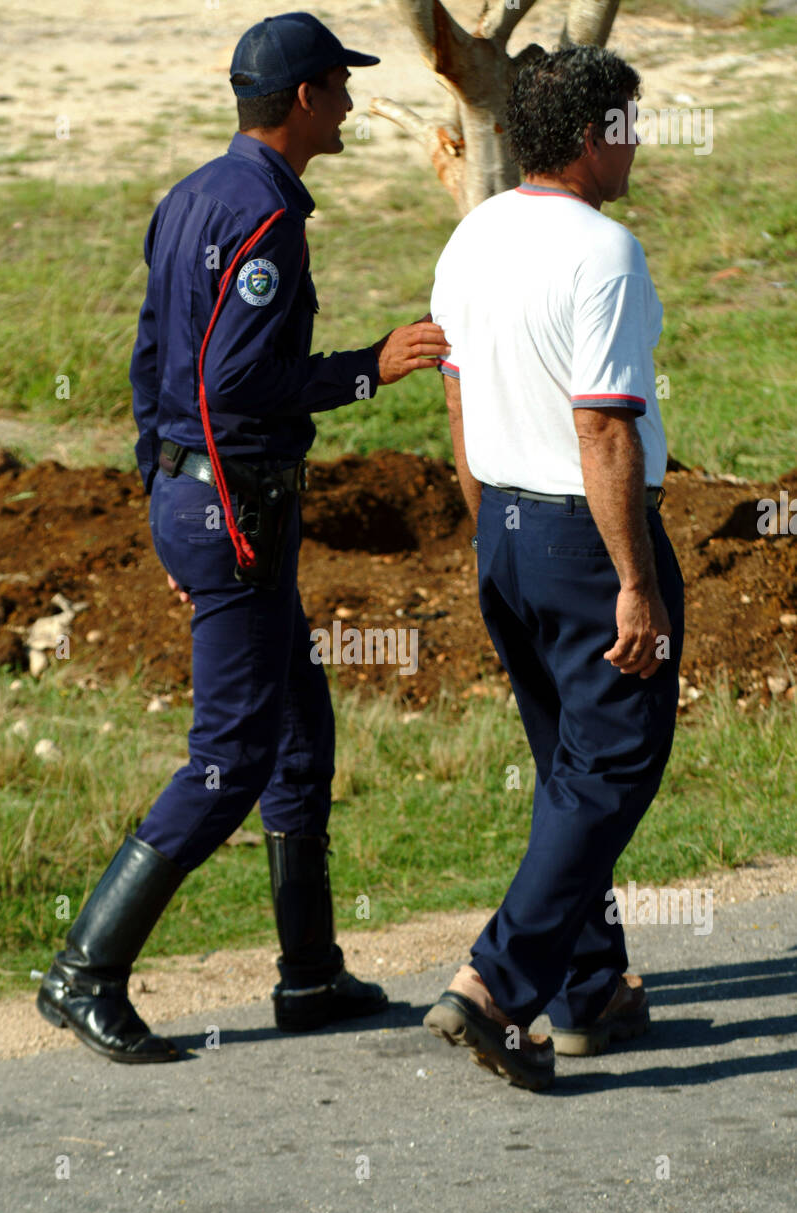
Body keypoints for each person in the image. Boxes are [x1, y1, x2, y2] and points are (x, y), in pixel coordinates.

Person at [36, 11, 449, 1063]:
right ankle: (83, 970)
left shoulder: (189, 198)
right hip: (234, 510)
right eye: (340, 88)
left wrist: (165, 500)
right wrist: (369, 365)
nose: (351, 103)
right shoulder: (262, 217)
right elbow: (236, 382)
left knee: (299, 728)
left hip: (203, 502)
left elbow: (147, 363)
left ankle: (307, 973)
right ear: (304, 98)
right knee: (228, 759)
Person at [424, 46, 684, 1091]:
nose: (632, 143)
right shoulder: (603, 251)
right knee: (614, 763)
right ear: (587, 137)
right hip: (586, 537)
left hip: (505, 533)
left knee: (566, 769)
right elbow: (602, 430)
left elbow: (454, 393)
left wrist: (488, 529)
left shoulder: (473, 233)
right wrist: (633, 580)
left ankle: (588, 992)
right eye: (624, 124)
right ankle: (493, 985)